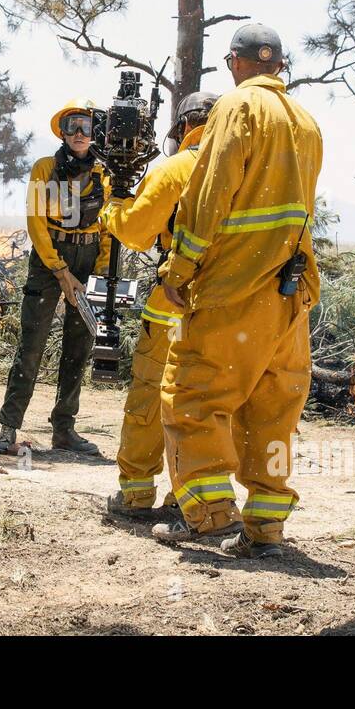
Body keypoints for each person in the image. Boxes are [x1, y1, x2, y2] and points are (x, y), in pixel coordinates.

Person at [152, 23, 322, 559]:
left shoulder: (237, 108)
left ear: (235, 63)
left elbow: (209, 193)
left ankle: (208, 515)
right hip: (290, 295)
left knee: (195, 398)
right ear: (280, 66)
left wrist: (178, 270)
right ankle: (267, 526)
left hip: (234, 287)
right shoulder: (307, 121)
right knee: (273, 411)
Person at [99, 91, 219, 521]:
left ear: (184, 128)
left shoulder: (177, 168)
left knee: (151, 398)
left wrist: (114, 205)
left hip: (171, 307)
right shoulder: (241, 170)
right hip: (226, 311)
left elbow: (136, 232)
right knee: (206, 404)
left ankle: (135, 493)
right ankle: (189, 496)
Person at [0, 98, 112, 456]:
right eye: (73, 125)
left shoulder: (103, 175)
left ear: (96, 133)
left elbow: (108, 227)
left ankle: (65, 429)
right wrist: (60, 271)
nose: (79, 133)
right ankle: (8, 427)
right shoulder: (45, 168)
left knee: (79, 347)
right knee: (32, 345)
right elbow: (36, 222)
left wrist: (101, 273)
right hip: (49, 259)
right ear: (62, 131)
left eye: (87, 127)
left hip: (88, 259)